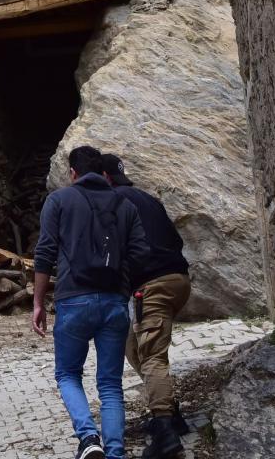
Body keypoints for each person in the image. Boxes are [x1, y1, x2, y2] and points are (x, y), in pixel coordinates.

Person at [32, 146, 149, 459]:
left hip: (74, 300)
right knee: (110, 384)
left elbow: (44, 254)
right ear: (104, 174)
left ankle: (88, 439)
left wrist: (38, 302)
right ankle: (114, 452)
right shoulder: (125, 205)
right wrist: (122, 283)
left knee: (68, 374)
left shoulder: (58, 201)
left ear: (72, 173)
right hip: (114, 301)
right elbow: (140, 254)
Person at [101, 153, 191, 459]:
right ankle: (170, 412)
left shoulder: (112, 202)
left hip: (151, 285)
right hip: (177, 279)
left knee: (152, 356)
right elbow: (175, 239)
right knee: (133, 345)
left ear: (105, 178)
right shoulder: (148, 199)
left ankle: (165, 432)